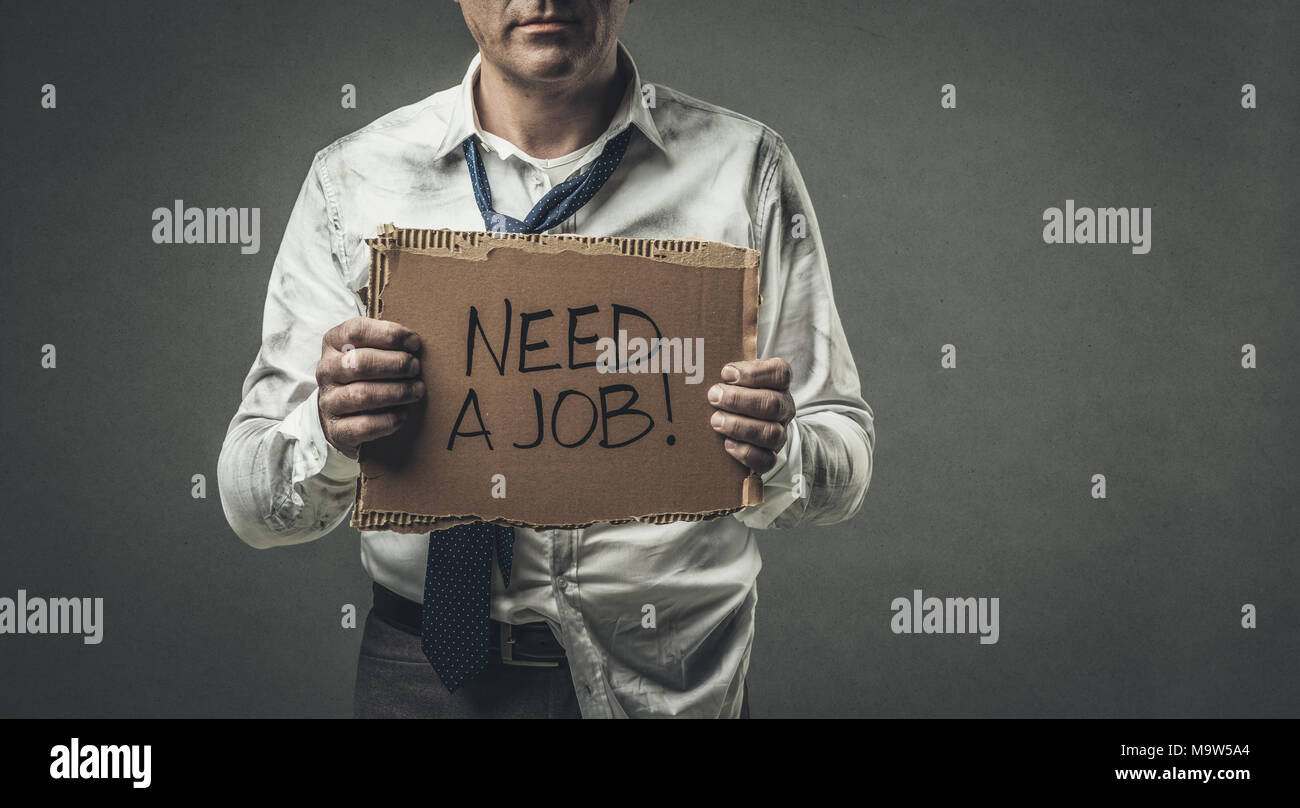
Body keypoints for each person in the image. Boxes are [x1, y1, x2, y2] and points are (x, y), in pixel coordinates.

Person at [217, 0, 875, 718]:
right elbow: (252, 506)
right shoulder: (354, 181)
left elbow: (844, 465)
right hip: (426, 674)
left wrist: (778, 452)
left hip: (671, 680)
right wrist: (331, 430)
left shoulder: (743, 169)